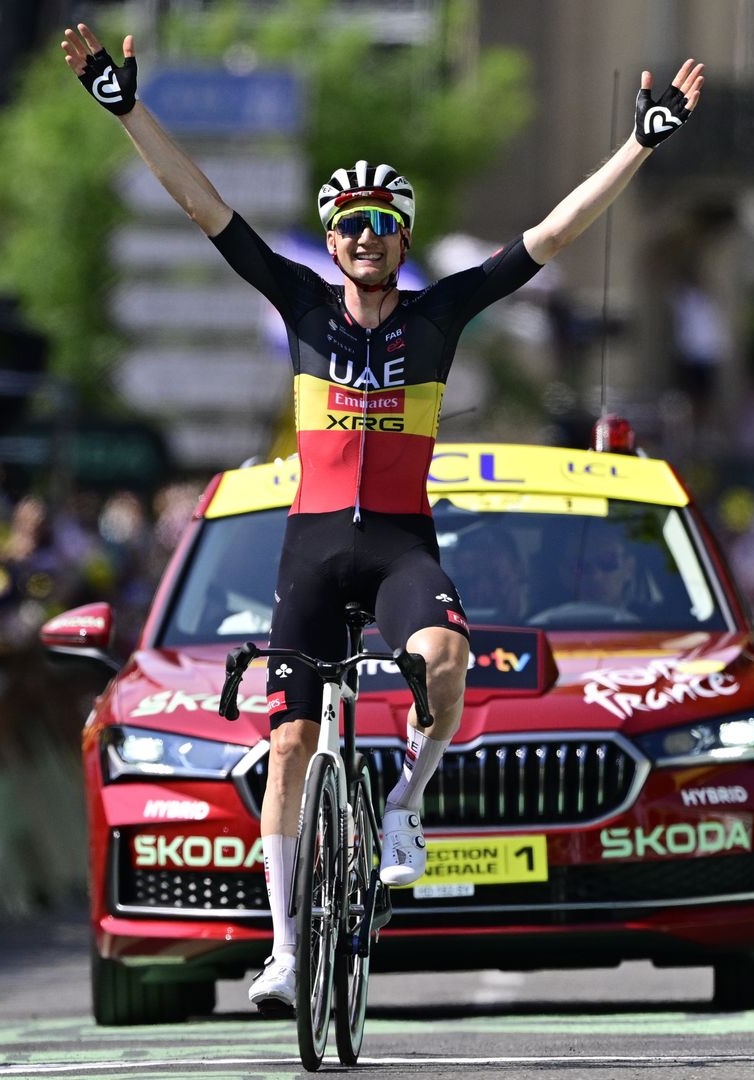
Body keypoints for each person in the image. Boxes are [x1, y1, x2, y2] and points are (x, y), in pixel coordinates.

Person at [62, 21, 704, 1011]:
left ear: (403, 238)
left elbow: (556, 233)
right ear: (330, 240)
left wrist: (642, 143)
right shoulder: (304, 307)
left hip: (401, 545)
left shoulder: (438, 315)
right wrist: (124, 108)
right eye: (349, 223)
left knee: (445, 660)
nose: (365, 237)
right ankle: (282, 950)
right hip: (311, 550)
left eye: (382, 223)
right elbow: (201, 205)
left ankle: (405, 802)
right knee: (285, 745)